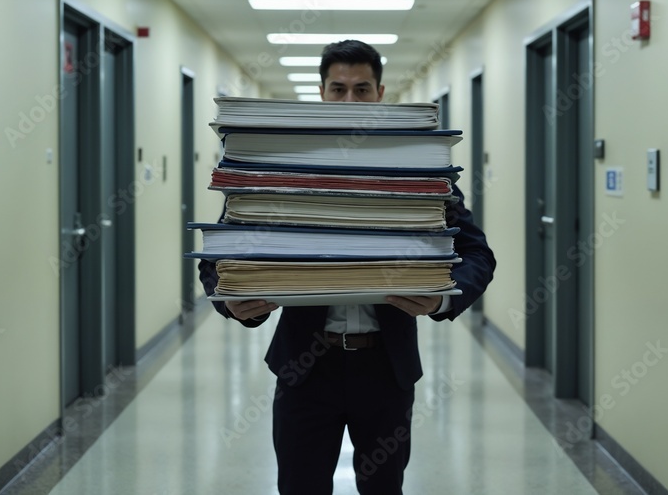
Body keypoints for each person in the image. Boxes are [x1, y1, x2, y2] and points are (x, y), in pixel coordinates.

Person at [198, 39, 496, 494]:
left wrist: (441, 297)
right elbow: (223, 253)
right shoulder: (284, 169)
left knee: (383, 488)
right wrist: (237, 302)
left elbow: (478, 254)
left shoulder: (415, 171)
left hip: (385, 368)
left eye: (362, 89)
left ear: (380, 94)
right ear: (322, 93)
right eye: (338, 89)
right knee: (301, 486)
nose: (350, 100)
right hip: (305, 367)